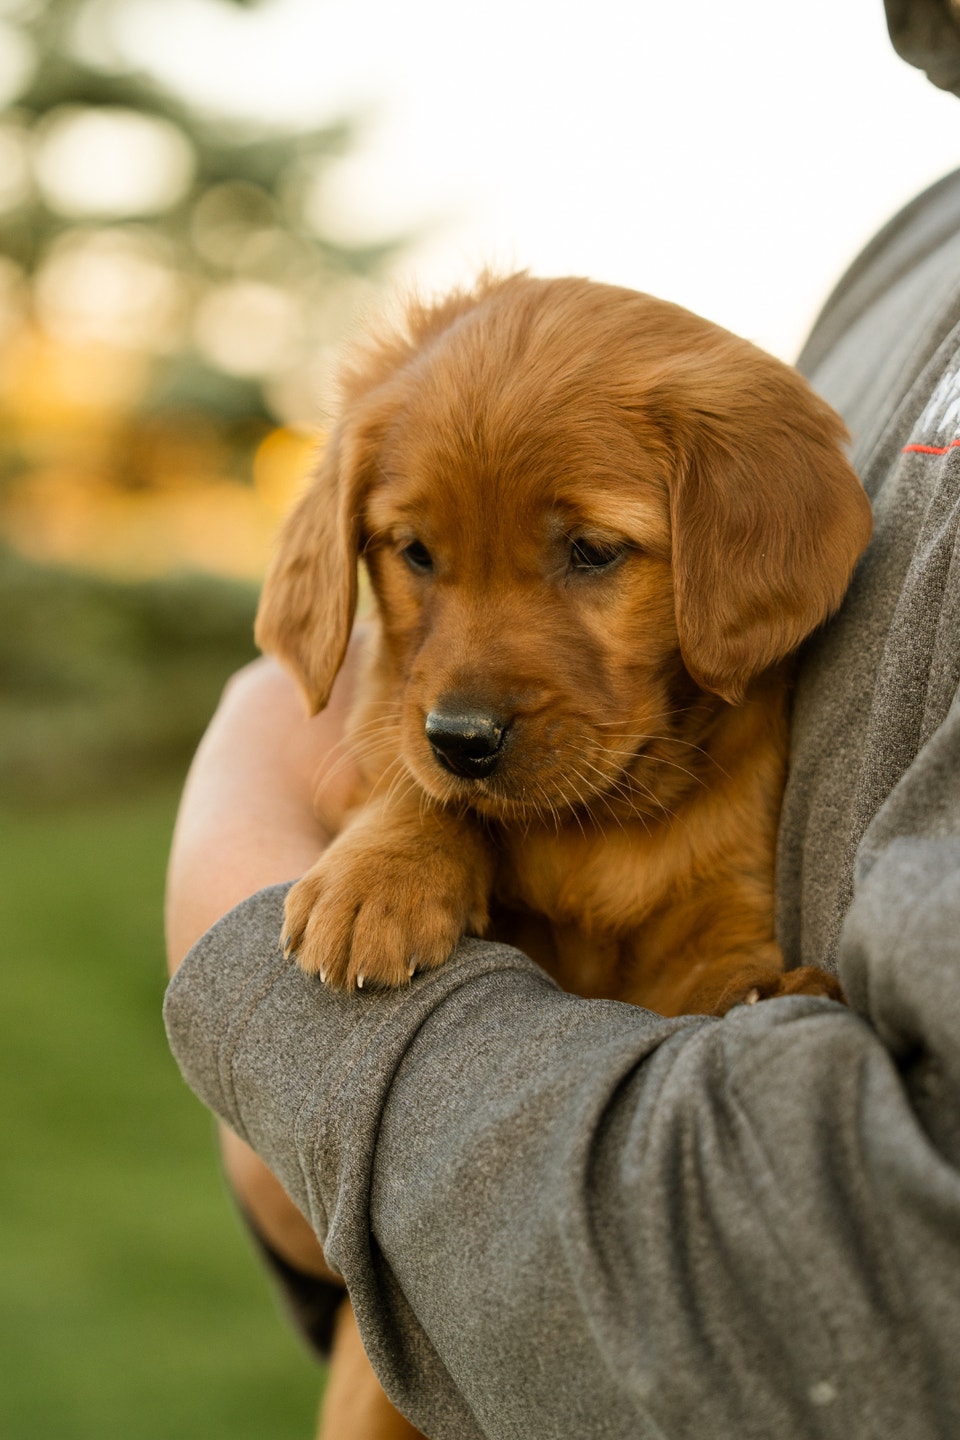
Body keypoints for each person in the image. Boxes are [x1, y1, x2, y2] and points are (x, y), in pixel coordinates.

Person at [164, 4, 960, 1435]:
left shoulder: (742, 632)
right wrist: (407, 818)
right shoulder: (918, 242)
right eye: (416, 553)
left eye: (587, 554)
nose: (468, 688)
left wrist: (253, 942)